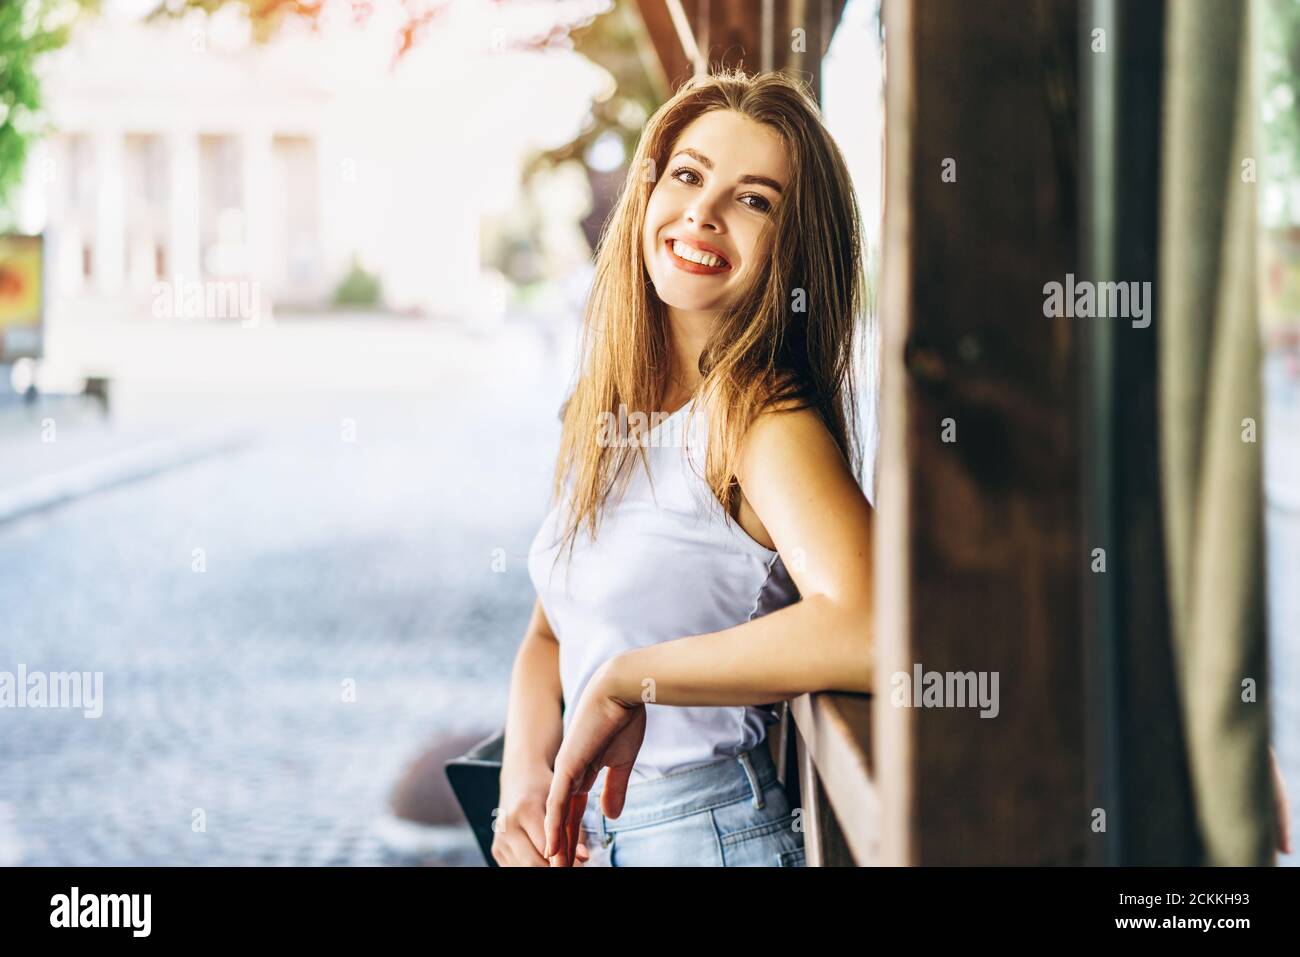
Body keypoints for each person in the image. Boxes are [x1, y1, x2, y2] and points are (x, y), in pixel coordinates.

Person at [492, 66, 874, 868]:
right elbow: (546, 629)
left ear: (794, 247)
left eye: (754, 199)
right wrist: (524, 778)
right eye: (690, 175)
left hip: (705, 835)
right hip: (594, 836)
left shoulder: (765, 419)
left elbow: (876, 628)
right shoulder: (604, 411)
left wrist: (632, 679)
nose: (703, 210)